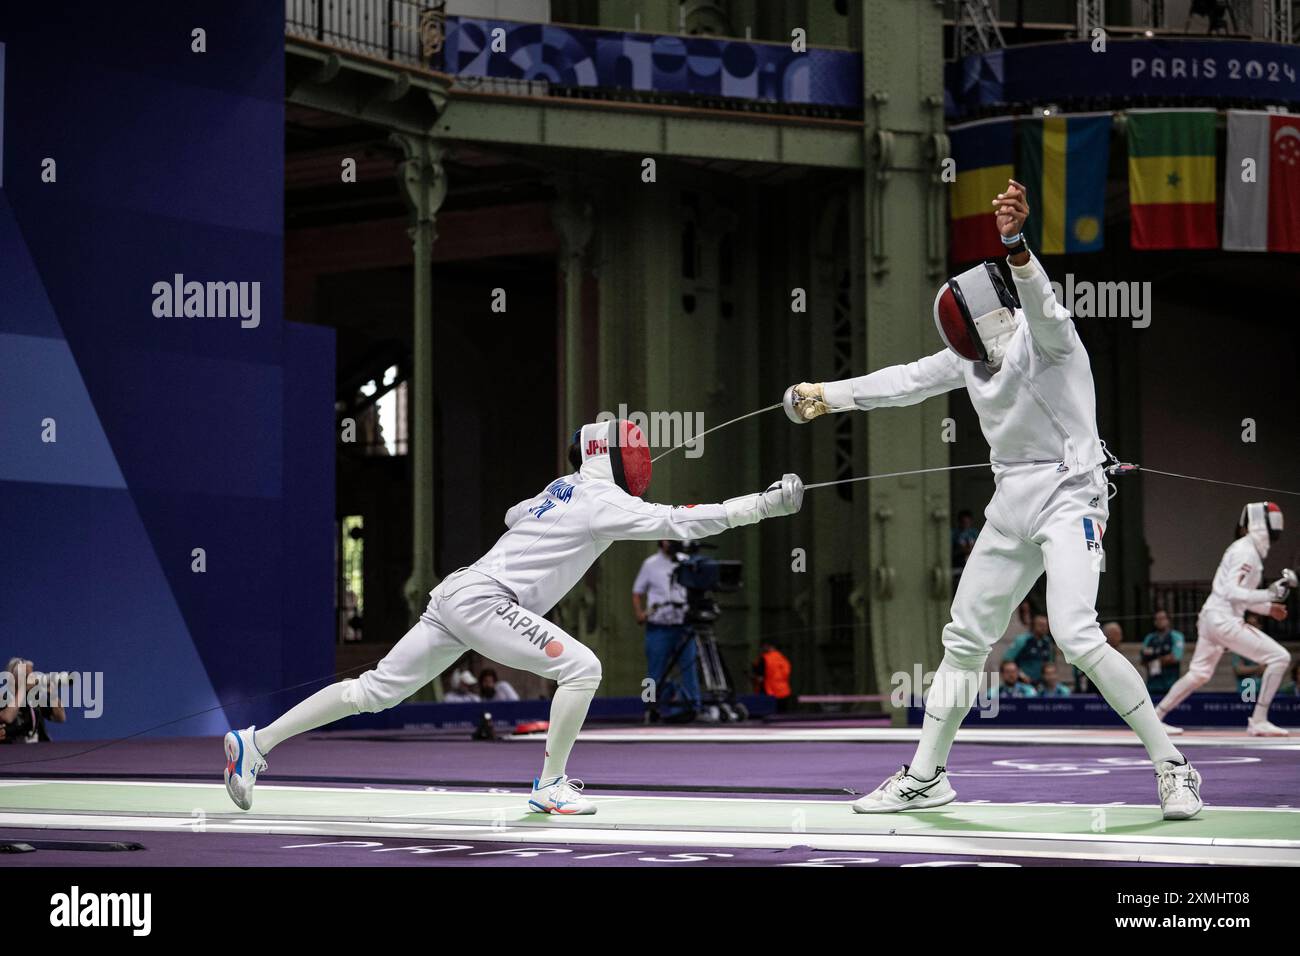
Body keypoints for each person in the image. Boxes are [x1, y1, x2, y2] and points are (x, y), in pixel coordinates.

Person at [784, 181, 1201, 819]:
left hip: (1070, 500)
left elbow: (1042, 303)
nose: (961, 349)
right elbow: (901, 382)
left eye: (966, 332)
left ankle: (1173, 768)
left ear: (996, 315)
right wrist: (826, 393)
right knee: (964, 639)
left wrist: (1015, 246)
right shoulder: (968, 360)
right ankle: (926, 776)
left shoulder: (1051, 343)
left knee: (1076, 635)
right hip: (1011, 505)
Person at [223, 418, 803, 815]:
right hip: (487, 602)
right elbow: (684, 521)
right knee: (583, 669)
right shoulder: (603, 500)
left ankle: (256, 742)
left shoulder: (564, 488)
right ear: (616, 455)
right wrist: (767, 504)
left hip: (456, 594)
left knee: (373, 691)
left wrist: (542, 510)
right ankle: (549, 785)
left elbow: (509, 514)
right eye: (635, 451)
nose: (643, 460)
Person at [1154, 503, 1295, 737]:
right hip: (1223, 619)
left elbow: (1241, 597)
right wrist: (1268, 594)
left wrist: (1269, 607)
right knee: (1280, 657)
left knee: (1199, 673)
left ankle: (1156, 717)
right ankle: (1259, 720)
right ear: (1261, 523)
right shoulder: (1245, 551)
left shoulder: (1247, 550)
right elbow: (1231, 591)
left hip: (1213, 617)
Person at [632, 540, 698, 720]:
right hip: (658, 626)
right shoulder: (650, 564)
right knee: (654, 671)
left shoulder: (686, 560)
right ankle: (650, 707)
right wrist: (639, 613)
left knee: (689, 668)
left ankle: (691, 707)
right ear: (661, 541)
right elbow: (637, 591)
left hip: (683, 624)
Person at [0, 659, 67, 744]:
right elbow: (7, 717)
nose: (31, 678)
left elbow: (60, 717)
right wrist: (22, 689)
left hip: (38, 751)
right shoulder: (3, 698)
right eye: (25, 675)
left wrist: (51, 692)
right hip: (13, 752)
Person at [1140, 609, 1185, 696]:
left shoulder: (1176, 636)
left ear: (1168, 620)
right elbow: (1143, 660)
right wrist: (1163, 658)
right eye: (1157, 619)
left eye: (1162, 618)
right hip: (1152, 686)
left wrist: (1153, 660)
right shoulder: (1149, 638)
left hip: (1171, 686)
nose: (1160, 621)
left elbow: (1175, 658)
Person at [1003, 612, 1056, 685]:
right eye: (1040, 625)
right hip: (1023, 683)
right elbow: (1007, 660)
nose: (1043, 628)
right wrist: (1021, 674)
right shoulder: (1022, 640)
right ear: (1033, 626)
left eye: (1046, 625)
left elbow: (1050, 663)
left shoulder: (1048, 643)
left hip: (1042, 685)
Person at [752, 641, 793, 712]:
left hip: (769, 692)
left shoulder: (764, 659)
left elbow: (759, 678)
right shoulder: (783, 659)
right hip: (784, 692)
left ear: (767, 646)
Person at [952, 510, 979, 577]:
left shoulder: (974, 532)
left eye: (968, 522)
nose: (965, 525)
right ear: (959, 522)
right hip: (959, 561)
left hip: (973, 560)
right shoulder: (954, 533)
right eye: (963, 522)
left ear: (971, 522)